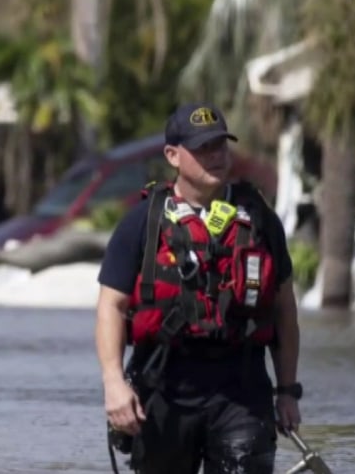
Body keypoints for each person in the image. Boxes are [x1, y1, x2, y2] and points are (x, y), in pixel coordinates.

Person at [94, 102, 302, 474]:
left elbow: (285, 309)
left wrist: (287, 391)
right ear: (173, 155)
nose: (215, 156)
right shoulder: (142, 222)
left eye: (220, 146)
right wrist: (113, 383)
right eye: (202, 148)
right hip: (165, 389)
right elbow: (111, 306)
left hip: (242, 390)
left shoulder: (259, 219)